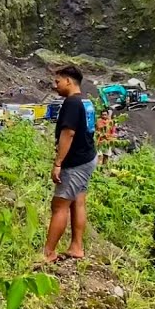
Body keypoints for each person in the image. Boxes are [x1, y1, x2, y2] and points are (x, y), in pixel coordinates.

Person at [43, 65, 97, 264]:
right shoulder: (86, 101)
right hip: (88, 158)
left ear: (68, 81)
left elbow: (69, 133)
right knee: (78, 201)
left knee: (59, 205)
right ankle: (76, 247)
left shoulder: (72, 103)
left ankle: (48, 253)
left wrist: (58, 163)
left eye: (57, 81)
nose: (55, 85)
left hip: (74, 163)